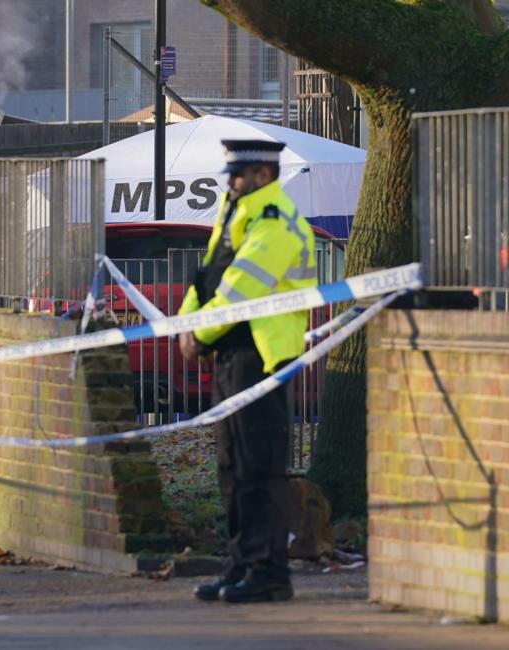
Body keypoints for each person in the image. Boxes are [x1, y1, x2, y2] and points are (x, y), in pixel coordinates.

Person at [178, 139, 317, 604]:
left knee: (260, 466)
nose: (230, 183)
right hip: (231, 354)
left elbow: (242, 292)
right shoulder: (238, 213)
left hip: (263, 358)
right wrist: (188, 325)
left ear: (263, 173)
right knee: (232, 467)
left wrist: (199, 334)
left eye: (238, 175)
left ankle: (268, 572)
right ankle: (240, 564)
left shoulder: (276, 219)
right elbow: (207, 278)